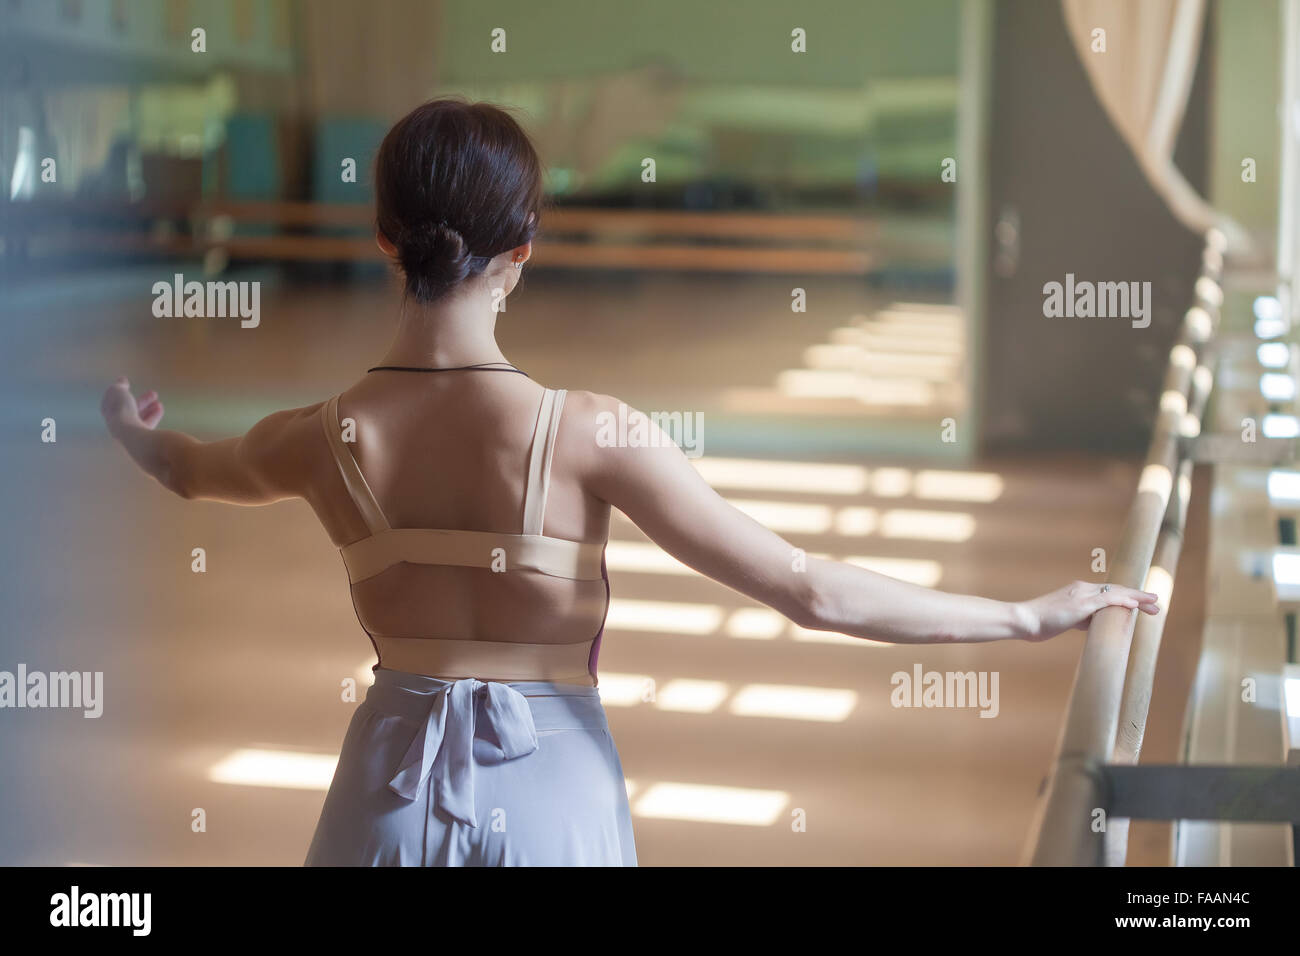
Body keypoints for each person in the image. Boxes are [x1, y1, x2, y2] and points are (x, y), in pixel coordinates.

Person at [100, 97, 1160, 867]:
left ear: (385, 238)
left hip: (380, 798)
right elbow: (811, 590)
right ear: (525, 246)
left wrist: (135, 431)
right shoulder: (590, 434)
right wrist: (1028, 616)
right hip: (552, 799)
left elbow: (190, 468)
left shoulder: (318, 437)